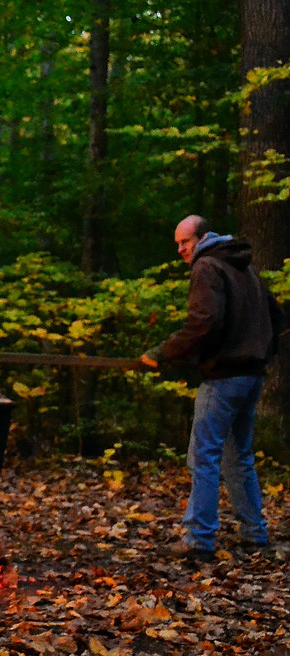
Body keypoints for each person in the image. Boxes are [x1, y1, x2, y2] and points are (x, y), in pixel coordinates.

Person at [140, 214, 284, 560]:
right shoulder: (245, 267)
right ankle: (254, 535)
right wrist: (260, 353)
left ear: (203, 238)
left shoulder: (207, 267)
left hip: (223, 379)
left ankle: (198, 541)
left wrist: (164, 352)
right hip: (252, 376)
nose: (179, 250)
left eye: (184, 243)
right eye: (177, 244)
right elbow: (279, 318)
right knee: (239, 457)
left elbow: (203, 322)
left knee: (204, 457)